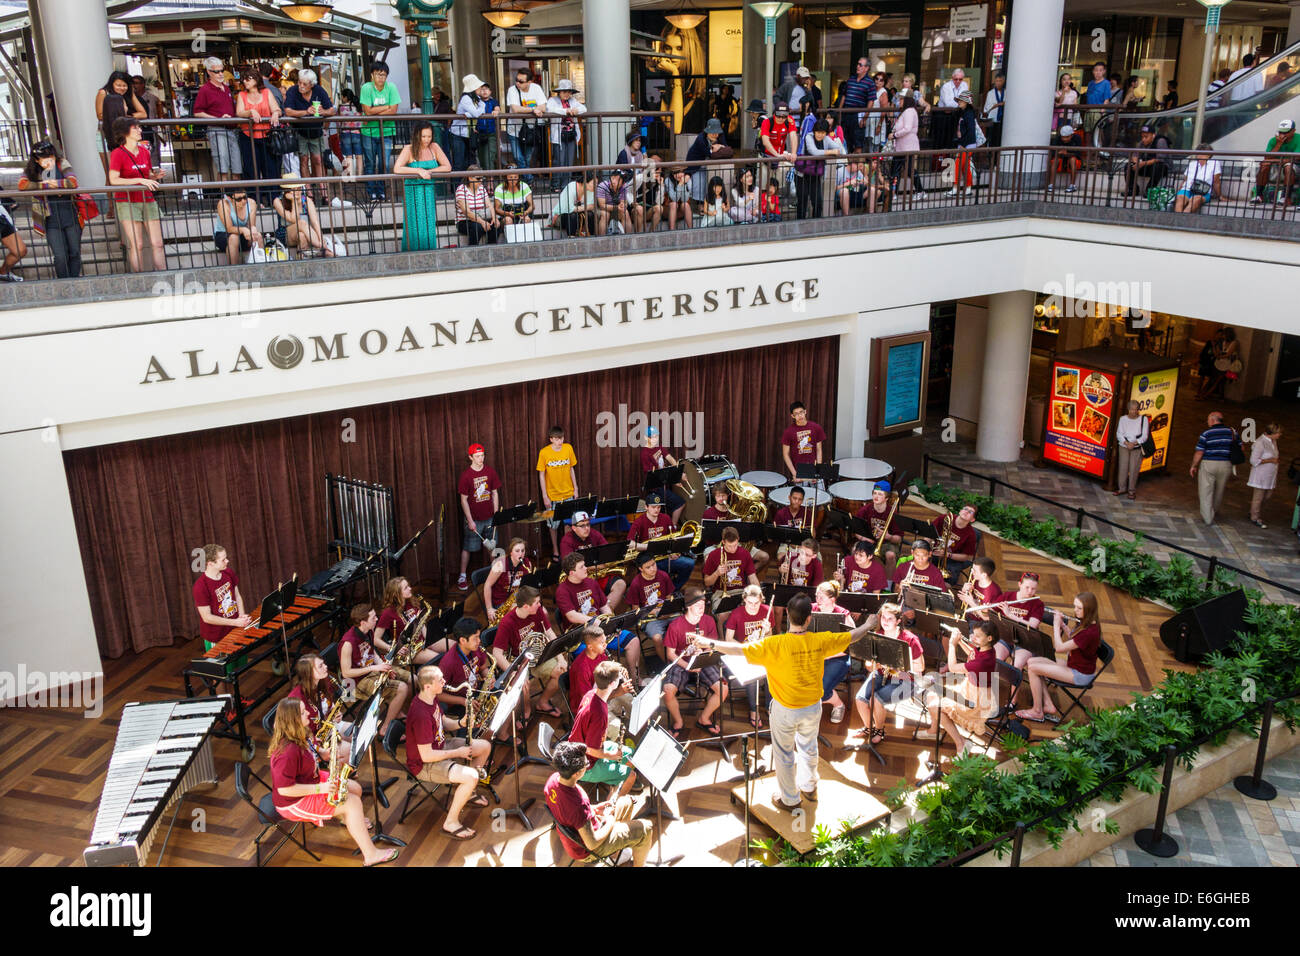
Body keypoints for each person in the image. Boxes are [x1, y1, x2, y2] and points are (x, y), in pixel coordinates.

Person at [712, 592, 872, 808]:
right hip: (812, 708)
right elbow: (853, 636)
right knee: (808, 748)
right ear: (809, 619)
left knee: (784, 753)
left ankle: (789, 799)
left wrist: (708, 643)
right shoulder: (821, 639)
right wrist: (870, 623)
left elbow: (738, 649)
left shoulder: (774, 644)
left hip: (785, 710)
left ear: (786, 614)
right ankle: (809, 786)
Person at [268, 698, 399, 865]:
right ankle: (370, 854)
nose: (308, 712)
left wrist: (322, 752)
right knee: (352, 802)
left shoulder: (302, 731)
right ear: (292, 720)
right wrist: (321, 788)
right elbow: (285, 790)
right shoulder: (286, 753)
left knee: (355, 789)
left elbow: (311, 746)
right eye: (302, 712)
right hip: (294, 801)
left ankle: (349, 820)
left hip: (311, 779)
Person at [405, 665, 491, 840]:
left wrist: (461, 722)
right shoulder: (420, 714)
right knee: (471, 776)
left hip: (440, 747)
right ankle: (450, 822)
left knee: (484, 747)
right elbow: (427, 756)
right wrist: (458, 752)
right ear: (428, 686)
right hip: (425, 765)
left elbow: (443, 721)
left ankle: (469, 793)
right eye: (440, 680)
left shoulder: (431, 698)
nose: (445, 682)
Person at [545, 739, 652, 866]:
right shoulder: (578, 805)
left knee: (625, 802)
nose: (588, 764)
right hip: (588, 851)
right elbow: (592, 843)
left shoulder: (552, 781)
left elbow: (569, 813)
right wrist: (610, 819)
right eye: (586, 764)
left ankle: (614, 855)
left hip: (580, 833)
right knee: (647, 828)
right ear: (577, 773)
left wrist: (594, 809)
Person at [1016, 592, 1102, 724]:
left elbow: (1060, 647)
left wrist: (1056, 626)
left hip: (1080, 674)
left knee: (1033, 669)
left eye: (1079, 608)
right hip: (1074, 664)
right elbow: (1075, 640)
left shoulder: (1089, 631)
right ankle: (1048, 705)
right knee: (1031, 661)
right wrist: (1063, 625)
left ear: (1089, 610)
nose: (1075, 611)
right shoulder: (1086, 622)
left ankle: (1037, 711)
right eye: (1075, 606)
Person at [923, 620, 999, 755]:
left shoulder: (982, 662)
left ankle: (961, 743)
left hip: (976, 701)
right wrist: (960, 641)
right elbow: (972, 653)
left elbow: (952, 668)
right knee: (931, 695)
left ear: (989, 638)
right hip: (970, 688)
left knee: (934, 706)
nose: (973, 638)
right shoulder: (986, 648)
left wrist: (952, 645)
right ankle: (934, 731)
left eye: (977, 636)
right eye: (973, 634)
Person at [491, 585, 567, 717]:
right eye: (537, 603)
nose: (540, 605)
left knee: (560, 671)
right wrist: (513, 671)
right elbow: (497, 653)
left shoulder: (537, 611)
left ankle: (542, 703)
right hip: (520, 661)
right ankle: (526, 710)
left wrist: (560, 658)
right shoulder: (507, 622)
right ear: (526, 606)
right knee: (523, 684)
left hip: (538, 655)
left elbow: (549, 633)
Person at [661, 587, 727, 737]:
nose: (702, 609)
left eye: (703, 606)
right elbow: (670, 654)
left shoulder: (709, 620)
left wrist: (703, 654)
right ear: (688, 606)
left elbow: (713, 645)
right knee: (668, 691)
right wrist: (688, 666)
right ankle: (678, 722)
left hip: (703, 661)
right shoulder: (676, 625)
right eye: (698, 606)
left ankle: (704, 718)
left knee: (723, 689)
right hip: (681, 661)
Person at [569, 661, 639, 798]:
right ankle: (610, 809)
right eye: (618, 679)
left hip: (583, 750)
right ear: (613, 684)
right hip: (585, 765)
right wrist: (611, 756)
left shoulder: (591, 693)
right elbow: (589, 749)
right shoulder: (599, 714)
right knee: (631, 776)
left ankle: (615, 781)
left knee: (632, 755)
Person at [338, 603, 410, 736]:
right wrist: (376, 668)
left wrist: (384, 667)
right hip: (354, 682)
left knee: (412, 679)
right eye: (373, 618)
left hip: (372, 670)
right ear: (362, 622)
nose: (377, 619)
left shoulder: (369, 631)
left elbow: (373, 653)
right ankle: (385, 728)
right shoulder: (347, 643)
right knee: (402, 688)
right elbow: (346, 672)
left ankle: (397, 710)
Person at [107, 117, 165, 273]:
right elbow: (113, 179)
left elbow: (146, 176)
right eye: (135, 128)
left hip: (147, 198)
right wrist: (141, 180)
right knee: (137, 244)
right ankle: (140, 278)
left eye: (139, 127)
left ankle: (164, 274)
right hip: (127, 200)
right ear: (125, 132)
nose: (140, 130)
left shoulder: (144, 152)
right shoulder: (118, 153)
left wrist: (153, 177)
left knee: (158, 243)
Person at [18, 141, 82, 279]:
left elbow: (73, 182)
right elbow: (22, 185)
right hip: (49, 218)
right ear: (36, 160)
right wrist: (45, 185)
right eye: (45, 159)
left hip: (71, 214)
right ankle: (64, 283)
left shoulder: (62, 163)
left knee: (75, 252)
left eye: (51, 158)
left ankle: (75, 281)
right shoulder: (31, 170)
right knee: (60, 255)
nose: (49, 161)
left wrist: (56, 183)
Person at [393, 120, 449, 252]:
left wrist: (430, 171)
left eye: (429, 136)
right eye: (423, 136)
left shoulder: (434, 147)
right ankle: (412, 252)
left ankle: (429, 251)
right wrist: (418, 170)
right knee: (414, 224)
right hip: (413, 191)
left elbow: (447, 166)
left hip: (428, 190)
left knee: (428, 222)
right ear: (417, 135)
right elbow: (397, 168)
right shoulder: (409, 149)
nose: (426, 139)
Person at [456, 442, 502, 589]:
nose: (480, 459)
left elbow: (495, 493)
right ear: (470, 457)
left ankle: (495, 573)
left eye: (482, 455)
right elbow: (463, 500)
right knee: (468, 548)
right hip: (474, 519)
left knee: (493, 547)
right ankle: (462, 575)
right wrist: (470, 521)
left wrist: (496, 514)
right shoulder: (466, 476)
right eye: (477, 456)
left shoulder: (490, 472)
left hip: (490, 518)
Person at [629, 493, 693, 590]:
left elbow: (674, 537)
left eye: (659, 507)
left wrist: (674, 551)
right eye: (653, 507)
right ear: (646, 507)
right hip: (649, 560)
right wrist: (648, 547)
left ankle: (673, 589)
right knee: (659, 576)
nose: (656, 510)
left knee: (689, 564)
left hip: (666, 556)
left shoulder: (666, 518)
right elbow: (630, 543)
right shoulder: (639, 522)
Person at [811, 581, 855, 723]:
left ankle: (838, 704)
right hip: (814, 655)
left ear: (832, 600)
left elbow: (851, 645)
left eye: (821, 597)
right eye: (817, 596)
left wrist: (825, 655)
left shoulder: (843, 615)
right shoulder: (811, 609)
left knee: (821, 689)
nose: (818, 600)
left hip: (838, 657)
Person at [193, 543, 250, 651]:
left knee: (241, 665)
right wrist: (235, 622)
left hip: (235, 628)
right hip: (217, 637)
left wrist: (241, 617)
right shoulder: (200, 586)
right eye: (223, 560)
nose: (227, 561)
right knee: (226, 667)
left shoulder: (228, 572)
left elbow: (237, 596)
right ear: (210, 564)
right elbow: (207, 617)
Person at [283, 68, 335, 188]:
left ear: (311, 85)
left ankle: (323, 191)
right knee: (304, 160)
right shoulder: (292, 91)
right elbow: (288, 111)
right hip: (300, 132)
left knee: (318, 160)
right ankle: (308, 192)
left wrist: (324, 111)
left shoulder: (319, 90)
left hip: (316, 131)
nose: (301, 86)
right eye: (299, 83)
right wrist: (306, 112)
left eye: (304, 84)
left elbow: (332, 110)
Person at [191, 60, 241, 182]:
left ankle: (237, 198)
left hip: (232, 129)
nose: (220, 74)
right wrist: (217, 119)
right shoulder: (205, 89)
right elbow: (197, 112)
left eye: (221, 70)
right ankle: (224, 199)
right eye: (216, 71)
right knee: (223, 168)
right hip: (217, 129)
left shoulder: (226, 88)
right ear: (209, 72)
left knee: (237, 168)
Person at [233, 69, 281, 198]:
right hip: (248, 136)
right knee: (251, 169)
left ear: (256, 79)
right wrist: (251, 112)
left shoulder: (266, 92)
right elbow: (239, 112)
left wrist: (276, 113)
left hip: (266, 135)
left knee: (270, 168)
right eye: (243, 79)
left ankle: (274, 200)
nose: (244, 81)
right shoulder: (242, 95)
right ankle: (253, 200)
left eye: (247, 78)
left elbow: (276, 108)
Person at [375, 575, 443, 664]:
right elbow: (375, 639)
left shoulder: (411, 602)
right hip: (409, 651)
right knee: (441, 659)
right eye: (406, 588)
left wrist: (429, 640)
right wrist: (392, 649)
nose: (410, 588)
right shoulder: (388, 613)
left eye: (408, 586)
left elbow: (421, 624)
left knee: (453, 646)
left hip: (421, 643)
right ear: (397, 593)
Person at [360, 62, 403, 200]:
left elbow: (394, 110)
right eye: (378, 74)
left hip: (387, 132)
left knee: (383, 163)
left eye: (384, 75)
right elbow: (367, 110)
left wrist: (373, 112)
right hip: (369, 132)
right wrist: (386, 107)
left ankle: (382, 190)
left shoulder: (391, 87)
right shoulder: (366, 88)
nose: (381, 78)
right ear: (372, 75)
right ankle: (371, 190)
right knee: (370, 162)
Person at [1190, 411, 1237, 526]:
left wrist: (1194, 465)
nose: (1207, 422)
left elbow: (1199, 452)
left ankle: (1208, 518)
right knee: (1219, 490)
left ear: (1212, 420)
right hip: (1226, 464)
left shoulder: (1206, 434)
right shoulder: (1232, 432)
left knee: (1205, 491)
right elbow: (1241, 447)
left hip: (1209, 464)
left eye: (1208, 420)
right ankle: (1214, 511)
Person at [537, 425, 578, 555]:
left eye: (562, 438)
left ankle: (568, 550)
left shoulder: (568, 448)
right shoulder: (544, 452)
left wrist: (575, 488)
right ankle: (555, 550)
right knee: (552, 526)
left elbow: (572, 468)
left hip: (568, 493)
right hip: (552, 495)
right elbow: (541, 474)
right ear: (551, 439)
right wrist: (544, 496)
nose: (560, 441)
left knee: (568, 524)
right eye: (557, 439)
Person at [274, 175, 330, 258]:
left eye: (299, 188)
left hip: (305, 234)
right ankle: (322, 248)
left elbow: (315, 222)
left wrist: (321, 238)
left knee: (301, 236)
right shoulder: (278, 201)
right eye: (293, 189)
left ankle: (301, 257)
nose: (297, 191)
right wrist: (294, 201)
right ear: (286, 191)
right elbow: (293, 219)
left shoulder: (307, 200)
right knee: (301, 223)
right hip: (285, 234)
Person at [483, 537, 534, 623]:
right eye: (517, 551)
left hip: (518, 598)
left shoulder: (527, 564)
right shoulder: (500, 564)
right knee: (522, 613)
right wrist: (489, 609)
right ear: (510, 552)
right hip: (501, 601)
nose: (521, 554)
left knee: (541, 610)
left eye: (523, 550)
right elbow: (487, 585)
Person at [794, 118, 837, 220]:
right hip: (802, 174)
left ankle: (816, 223)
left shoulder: (826, 139)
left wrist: (835, 148)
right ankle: (800, 223)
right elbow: (814, 151)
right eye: (818, 132)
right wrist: (830, 152)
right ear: (814, 131)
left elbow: (840, 150)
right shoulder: (809, 136)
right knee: (802, 201)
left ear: (826, 133)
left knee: (817, 202)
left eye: (822, 132)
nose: (820, 135)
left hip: (816, 175)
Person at [505, 67, 547, 173]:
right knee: (518, 157)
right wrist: (533, 109)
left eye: (521, 81)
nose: (518, 83)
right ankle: (529, 180)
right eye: (516, 80)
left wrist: (537, 109)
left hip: (530, 130)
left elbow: (543, 107)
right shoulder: (512, 90)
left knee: (527, 158)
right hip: (514, 129)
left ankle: (524, 183)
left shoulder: (536, 88)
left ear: (529, 82)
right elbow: (515, 109)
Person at [547, 79, 587, 189]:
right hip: (558, 135)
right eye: (564, 92)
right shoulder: (552, 100)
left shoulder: (573, 101)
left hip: (571, 134)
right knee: (558, 161)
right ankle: (555, 185)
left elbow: (584, 108)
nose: (567, 94)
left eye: (569, 92)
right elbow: (549, 109)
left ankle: (566, 185)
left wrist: (576, 111)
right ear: (559, 92)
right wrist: (566, 111)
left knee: (569, 161)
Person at [1252, 119, 1298, 210]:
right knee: (1265, 164)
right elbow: (1267, 158)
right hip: (1277, 166)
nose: (1282, 135)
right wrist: (1278, 144)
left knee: (1288, 166)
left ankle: (1285, 197)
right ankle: (1259, 195)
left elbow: (1296, 158)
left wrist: (1276, 160)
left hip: (1294, 166)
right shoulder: (1274, 140)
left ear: (1293, 131)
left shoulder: (1298, 138)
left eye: (1286, 132)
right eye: (1280, 132)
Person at [450, 74, 492, 172]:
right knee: (459, 164)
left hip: (468, 134)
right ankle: (456, 186)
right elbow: (477, 113)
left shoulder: (474, 98)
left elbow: (474, 114)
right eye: (479, 87)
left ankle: (466, 186)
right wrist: (481, 105)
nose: (481, 89)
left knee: (469, 163)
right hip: (458, 134)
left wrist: (468, 114)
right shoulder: (466, 98)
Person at [835, 56, 877, 153]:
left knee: (858, 143)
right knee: (844, 140)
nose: (857, 66)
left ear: (866, 68)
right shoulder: (851, 79)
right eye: (857, 64)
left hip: (858, 115)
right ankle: (847, 166)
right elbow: (844, 96)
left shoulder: (870, 83)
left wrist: (865, 118)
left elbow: (871, 101)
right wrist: (840, 112)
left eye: (860, 65)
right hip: (846, 113)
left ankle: (857, 166)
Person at [703, 526, 763, 593]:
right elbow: (707, 583)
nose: (733, 549)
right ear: (723, 542)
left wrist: (759, 594)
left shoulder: (745, 553)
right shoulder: (713, 555)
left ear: (738, 539)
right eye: (729, 546)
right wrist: (717, 573)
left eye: (735, 545)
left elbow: (752, 577)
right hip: (720, 592)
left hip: (740, 591)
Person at [212, 187, 263, 266]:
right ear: (229, 198)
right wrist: (243, 230)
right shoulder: (223, 204)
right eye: (239, 199)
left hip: (243, 234)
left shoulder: (251, 203)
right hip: (224, 234)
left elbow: (251, 225)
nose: (243, 201)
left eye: (244, 197)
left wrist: (253, 229)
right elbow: (229, 228)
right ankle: (234, 270)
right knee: (234, 237)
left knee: (258, 236)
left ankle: (262, 267)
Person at [853, 481, 902, 562]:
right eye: (875, 493)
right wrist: (864, 538)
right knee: (855, 549)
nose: (876, 496)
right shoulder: (865, 510)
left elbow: (899, 539)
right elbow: (856, 530)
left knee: (891, 556)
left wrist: (888, 536)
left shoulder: (893, 513)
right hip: (868, 540)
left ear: (886, 498)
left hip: (887, 543)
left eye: (880, 494)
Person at [685, 117, 730, 203]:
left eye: (717, 132)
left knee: (710, 183)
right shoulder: (700, 138)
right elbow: (709, 153)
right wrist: (714, 149)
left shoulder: (721, 135)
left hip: (710, 164)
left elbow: (726, 149)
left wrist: (720, 147)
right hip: (696, 164)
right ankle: (700, 205)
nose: (715, 135)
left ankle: (709, 204)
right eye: (712, 132)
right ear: (707, 131)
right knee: (699, 184)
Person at [455, 165, 502, 246]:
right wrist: (482, 222)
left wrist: (494, 218)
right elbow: (467, 212)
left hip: (481, 218)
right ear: (470, 178)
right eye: (478, 178)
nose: (481, 181)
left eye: (482, 178)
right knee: (477, 227)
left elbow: (490, 205)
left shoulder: (481, 188)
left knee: (496, 225)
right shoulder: (461, 189)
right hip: (464, 221)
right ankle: (473, 249)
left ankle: (491, 247)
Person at [1247, 424, 1283, 528]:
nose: (1280, 435)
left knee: (1267, 496)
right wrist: (1271, 460)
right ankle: (1255, 517)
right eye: (1278, 433)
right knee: (1258, 497)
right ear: (1272, 434)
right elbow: (1253, 460)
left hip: (1270, 476)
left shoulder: (1273, 441)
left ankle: (1253, 511)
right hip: (1260, 475)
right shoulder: (1260, 443)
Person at [1114, 401, 1150, 501]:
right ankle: (1122, 488)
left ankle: (1131, 490)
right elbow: (1119, 434)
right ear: (1128, 409)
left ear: (1138, 410)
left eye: (1135, 409)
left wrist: (1134, 443)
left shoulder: (1144, 419)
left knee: (1134, 469)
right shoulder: (1123, 419)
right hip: (1124, 446)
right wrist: (1126, 443)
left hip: (1136, 447)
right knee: (1123, 467)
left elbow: (1144, 436)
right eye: (1131, 409)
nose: (1133, 411)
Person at [781, 400, 826, 480]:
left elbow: (819, 450)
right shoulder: (788, 432)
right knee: (800, 492)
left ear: (805, 412)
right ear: (792, 416)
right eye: (796, 414)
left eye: (801, 412)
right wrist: (794, 473)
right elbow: (785, 454)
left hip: (814, 469)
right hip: (798, 471)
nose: (800, 415)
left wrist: (818, 471)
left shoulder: (816, 428)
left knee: (818, 492)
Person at [1124, 124, 1170, 202]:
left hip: (1160, 167)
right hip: (1146, 166)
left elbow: (1160, 159)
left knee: (1158, 166)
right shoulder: (1142, 143)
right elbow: (1135, 155)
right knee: (1128, 166)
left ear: (1153, 135)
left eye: (1146, 137)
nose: (1143, 139)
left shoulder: (1160, 141)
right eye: (1142, 137)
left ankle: (1150, 190)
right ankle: (1133, 189)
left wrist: (1143, 163)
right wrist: (1135, 161)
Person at [932, 503, 979, 576]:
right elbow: (929, 534)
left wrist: (947, 555)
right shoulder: (944, 518)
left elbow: (966, 557)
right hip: (935, 551)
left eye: (970, 512)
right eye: (965, 509)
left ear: (972, 519)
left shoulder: (971, 534)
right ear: (960, 511)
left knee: (951, 572)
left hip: (952, 558)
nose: (966, 512)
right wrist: (926, 548)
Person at [1173, 144, 1221, 214]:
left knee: (1195, 200)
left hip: (1203, 192)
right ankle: (1178, 221)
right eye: (1199, 153)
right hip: (1187, 189)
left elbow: (1216, 182)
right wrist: (1178, 191)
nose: (1200, 155)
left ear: (1209, 155)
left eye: (1203, 153)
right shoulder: (1192, 164)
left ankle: (1181, 221)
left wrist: (1220, 196)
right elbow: (1185, 180)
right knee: (1180, 198)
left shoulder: (1215, 164)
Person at [595, 169, 641, 236]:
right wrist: (617, 207)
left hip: (616, 209)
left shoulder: (624, 188)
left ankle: (628, 237)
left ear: (622, 183)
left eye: (617, 180)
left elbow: (624, 203)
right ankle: (601, 239)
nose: (613, 181)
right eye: (612, 178)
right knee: (605, 214)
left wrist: (623, 205)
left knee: (625, 212)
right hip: (602, 209)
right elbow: (602, 205)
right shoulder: (603, 186)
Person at [334, 88, 364, 181]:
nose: (342, 98)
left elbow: (338, 122)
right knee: (359, 156)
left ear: (345, 97)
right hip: (357, 132)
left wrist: (338, 132)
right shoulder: (358, 106)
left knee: (349, 156)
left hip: (346, 133)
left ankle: (351, 177)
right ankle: (360, 176)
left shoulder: (341, 107)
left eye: (342, 97)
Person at [1048, 123, 1084, 194]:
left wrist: (1067, 153)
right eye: (1063, 137)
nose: (1064, 139)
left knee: (1073, 159)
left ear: (1072, 135)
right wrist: (1059, 153)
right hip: (1060, 159)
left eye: (1067, 137)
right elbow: (1053, 152)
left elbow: (1078, 153)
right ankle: (1051, 184)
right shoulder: (1057, 139)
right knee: (1055, 160)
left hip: (1073, 160)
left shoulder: (1077, 138)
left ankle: (1072, 185)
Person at [662, 165, 694, 229]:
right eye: (676, 172)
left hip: (680, 212)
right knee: (674, 204)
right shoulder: (668, 180)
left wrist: (683, 184)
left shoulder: (688, 180)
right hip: (668, 210)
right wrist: (680, 184)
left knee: (685, 204)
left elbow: (684, 199)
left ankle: (691, 230)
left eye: (681, 172)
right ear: (672, 173)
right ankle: (672, 230)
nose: (679, 175)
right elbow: (674, 199)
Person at [982, 71, 1006, 147]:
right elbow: (987, 108)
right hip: (993, 119)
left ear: (1003, 81)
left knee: (999, 140)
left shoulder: (1006, 92)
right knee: (991, 139)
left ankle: (997, 157)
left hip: (1002, 120)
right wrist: (999, 104)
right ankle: (990, 156)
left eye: (1000, 81)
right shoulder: (991, 93)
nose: (998, 83)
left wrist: (999, 104)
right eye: (996, 81)